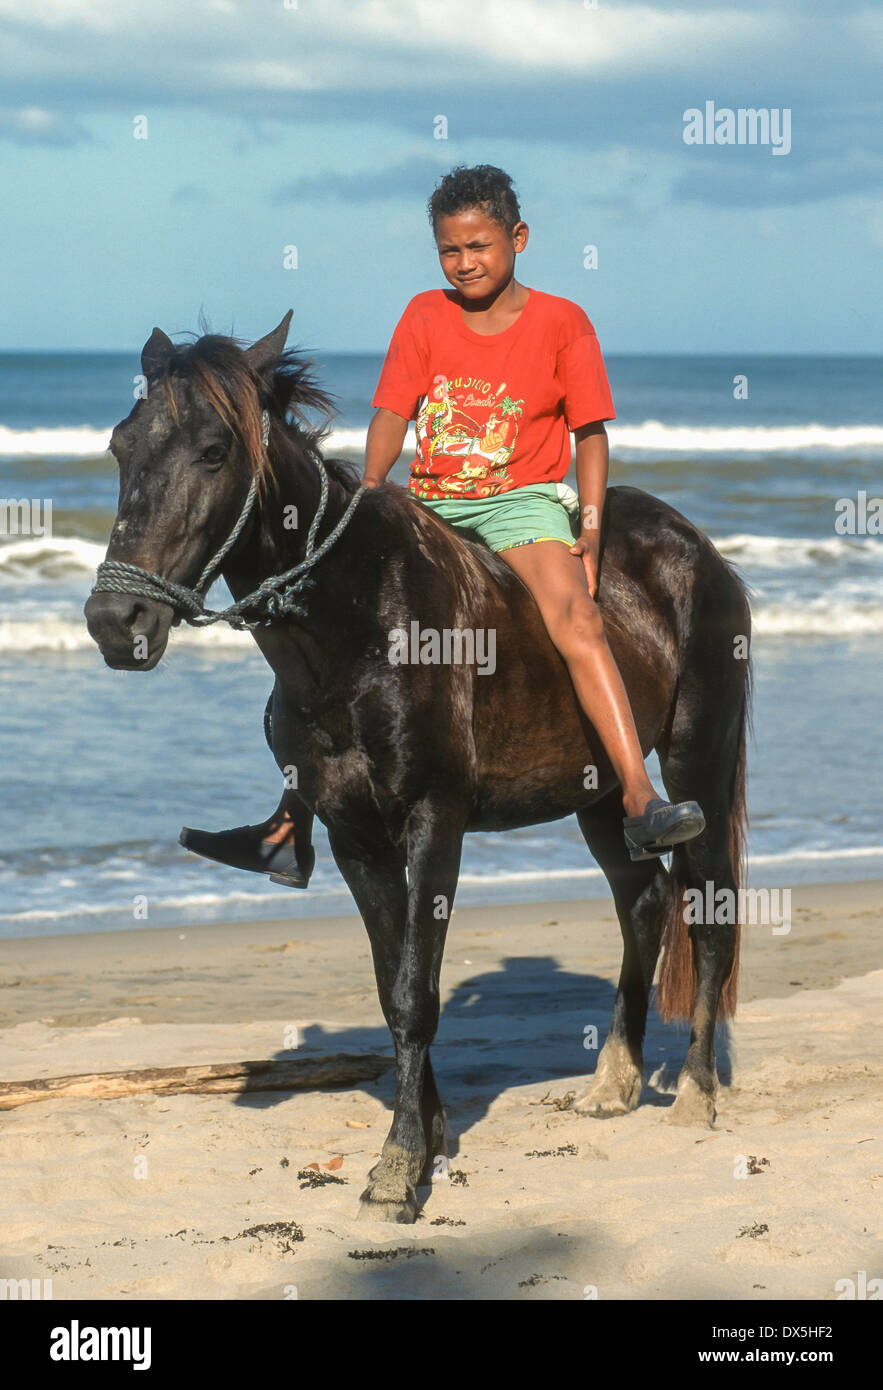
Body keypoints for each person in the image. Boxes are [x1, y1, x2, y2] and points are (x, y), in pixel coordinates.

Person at [180, 164, 704, 883]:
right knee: (327, 626)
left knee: (576, 619)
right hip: (430, 500)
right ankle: (288, 824)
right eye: (450, 252)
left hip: (518, 503)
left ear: (516, 238)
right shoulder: (425, 315)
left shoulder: (561, 322)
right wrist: (366, 493)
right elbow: (394, 411)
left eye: (479, 247)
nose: (465, 264)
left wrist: (586, 526)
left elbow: (589, 434)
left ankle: (640, 798)